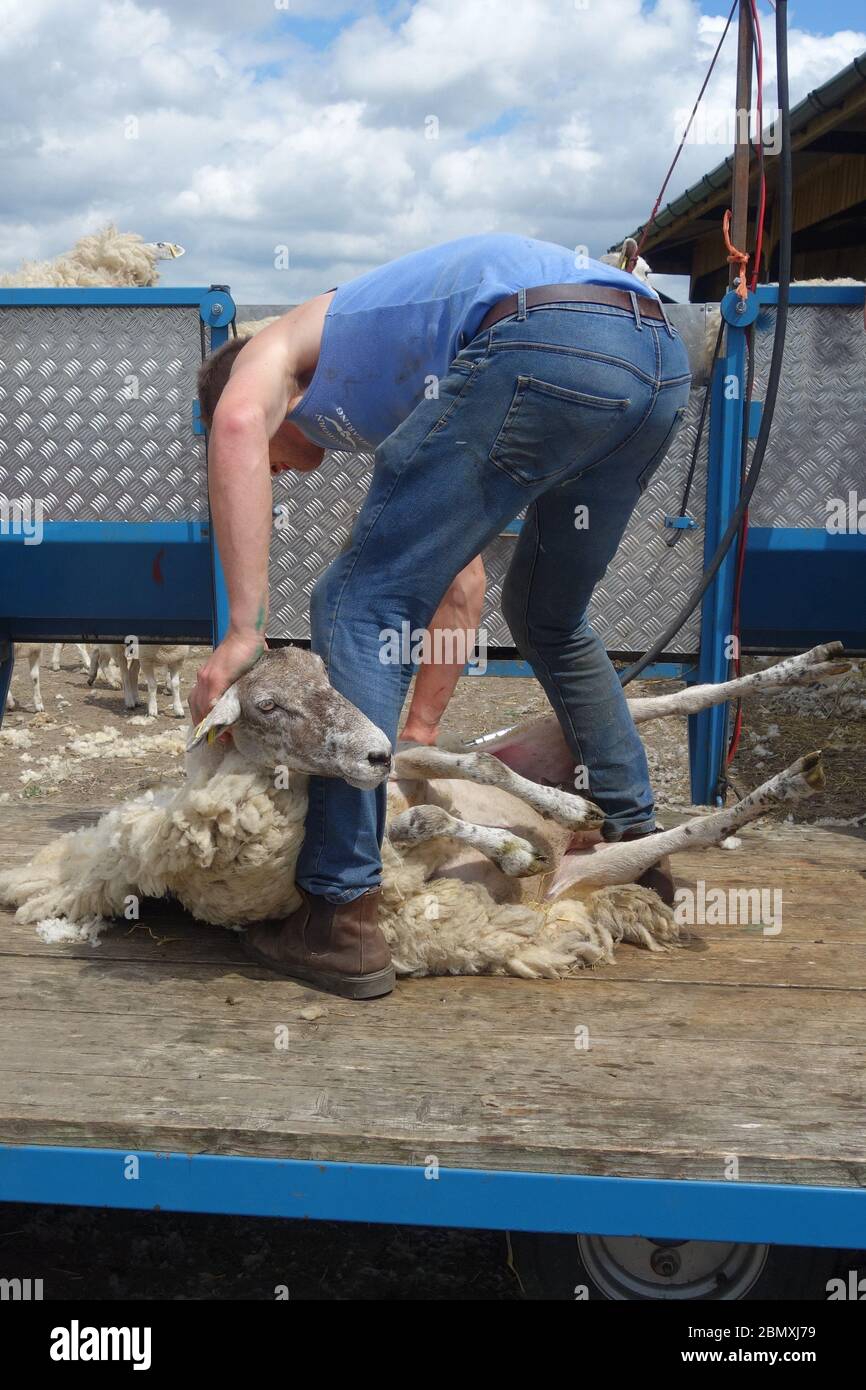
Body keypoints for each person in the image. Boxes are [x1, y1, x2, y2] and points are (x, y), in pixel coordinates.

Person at [191, 233, 692, 999]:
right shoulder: (408, 371)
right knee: (547, 612)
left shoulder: (275, 350)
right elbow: (460, 582)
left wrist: (241, 633)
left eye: (272, 458)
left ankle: (338, 914)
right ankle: (635, 846)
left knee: (353, 599)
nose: (276, 471)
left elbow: (232, 431)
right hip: (655, 357)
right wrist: (414, 738)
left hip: (547, 339)